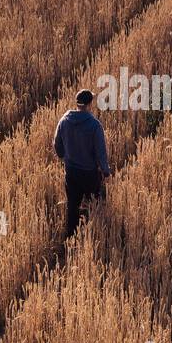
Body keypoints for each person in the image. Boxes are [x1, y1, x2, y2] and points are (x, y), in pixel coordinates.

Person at [53, 89, 111, 237]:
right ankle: (94, 235)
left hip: (71, 172)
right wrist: (105, 171)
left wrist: (63, 156)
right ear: (90, 104)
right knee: (95, 205)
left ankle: (70, 236)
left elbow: (57, 145)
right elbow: (100, 151)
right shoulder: (94, 125)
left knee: (72, 205)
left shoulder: (64, 120)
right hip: (89, 174)